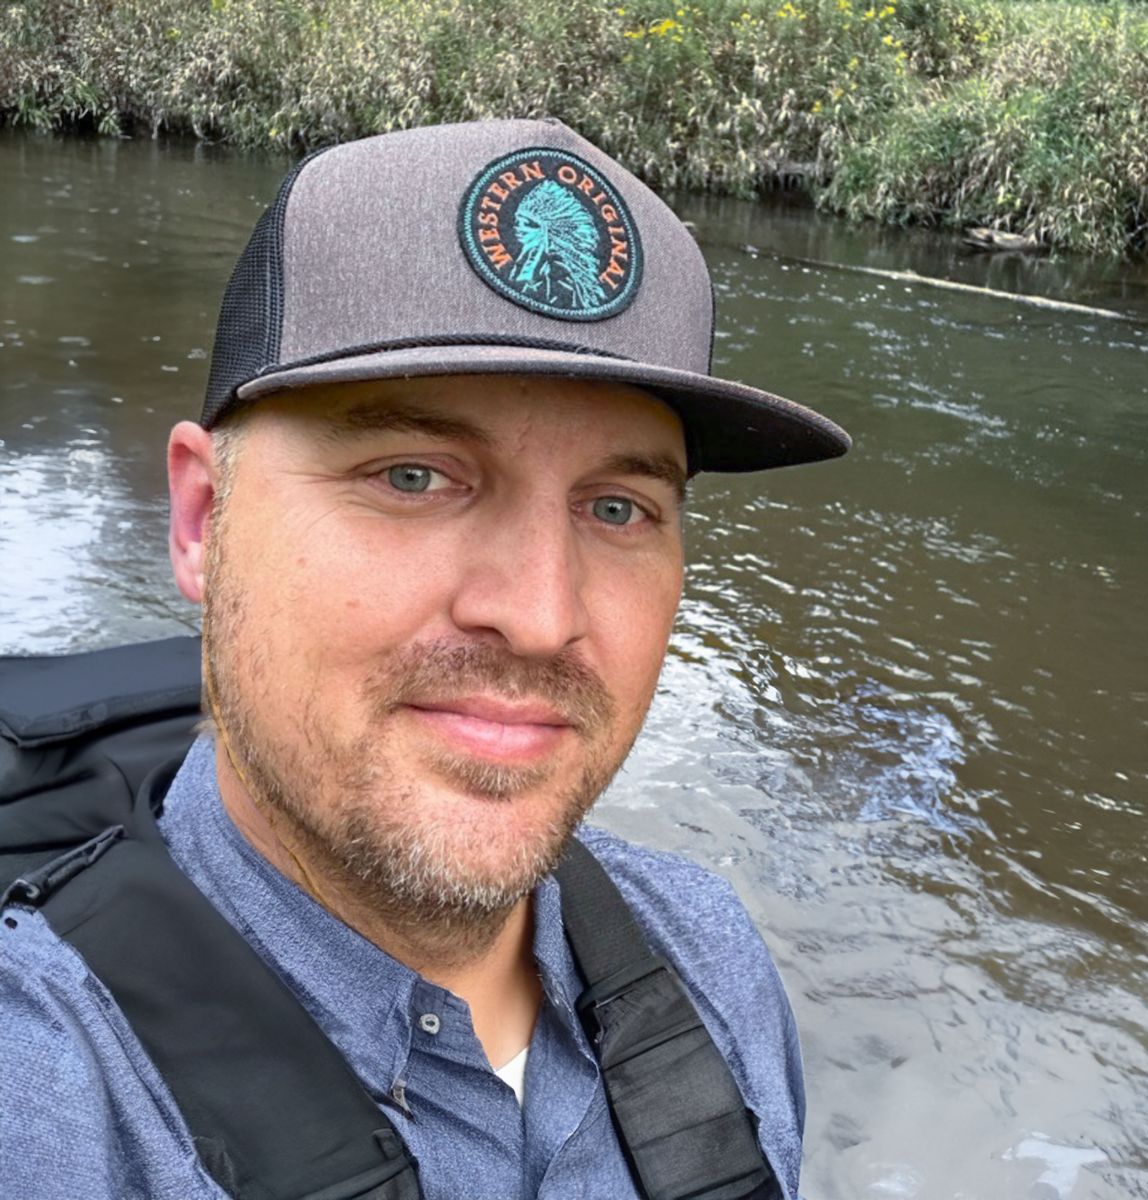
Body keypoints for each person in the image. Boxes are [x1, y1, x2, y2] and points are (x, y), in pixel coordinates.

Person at [0, 118, 849, 1199]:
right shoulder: (46, 1101)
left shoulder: (710, 961)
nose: (541, 615)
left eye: (619, 506)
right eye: (412, 476)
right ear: (203, 520)